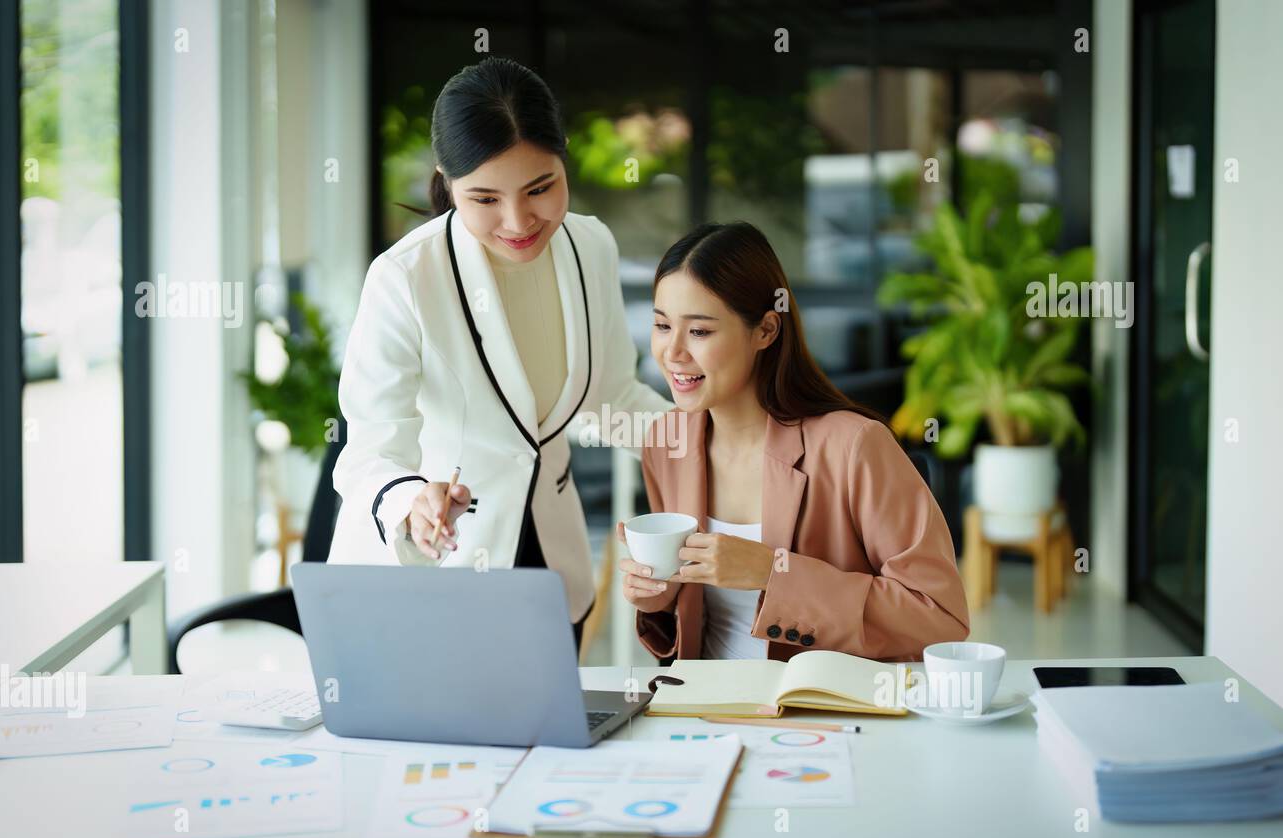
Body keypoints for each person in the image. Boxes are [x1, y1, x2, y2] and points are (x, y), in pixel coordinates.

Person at [328, 57, 672, 649]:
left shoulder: (591, 245)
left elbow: (609, 398)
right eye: (485, 199)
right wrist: (414, 503)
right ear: (447, 181)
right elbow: (368, 454)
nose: (519, 222)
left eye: (541, 188)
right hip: (437, 571)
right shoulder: (404, 278)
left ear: (563, 159)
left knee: (551, 737)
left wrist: (716, 439)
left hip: (549, 565)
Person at [617, 221, 970, 662]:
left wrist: (772, 573)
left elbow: (939, 619)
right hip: (702, 712)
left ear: (766, 330)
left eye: (700, 331)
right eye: (662, 326)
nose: (672, 353)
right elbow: (689, 624)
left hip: (823, 717)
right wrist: (658, 599)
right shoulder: (666, 442)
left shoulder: (855, 446)